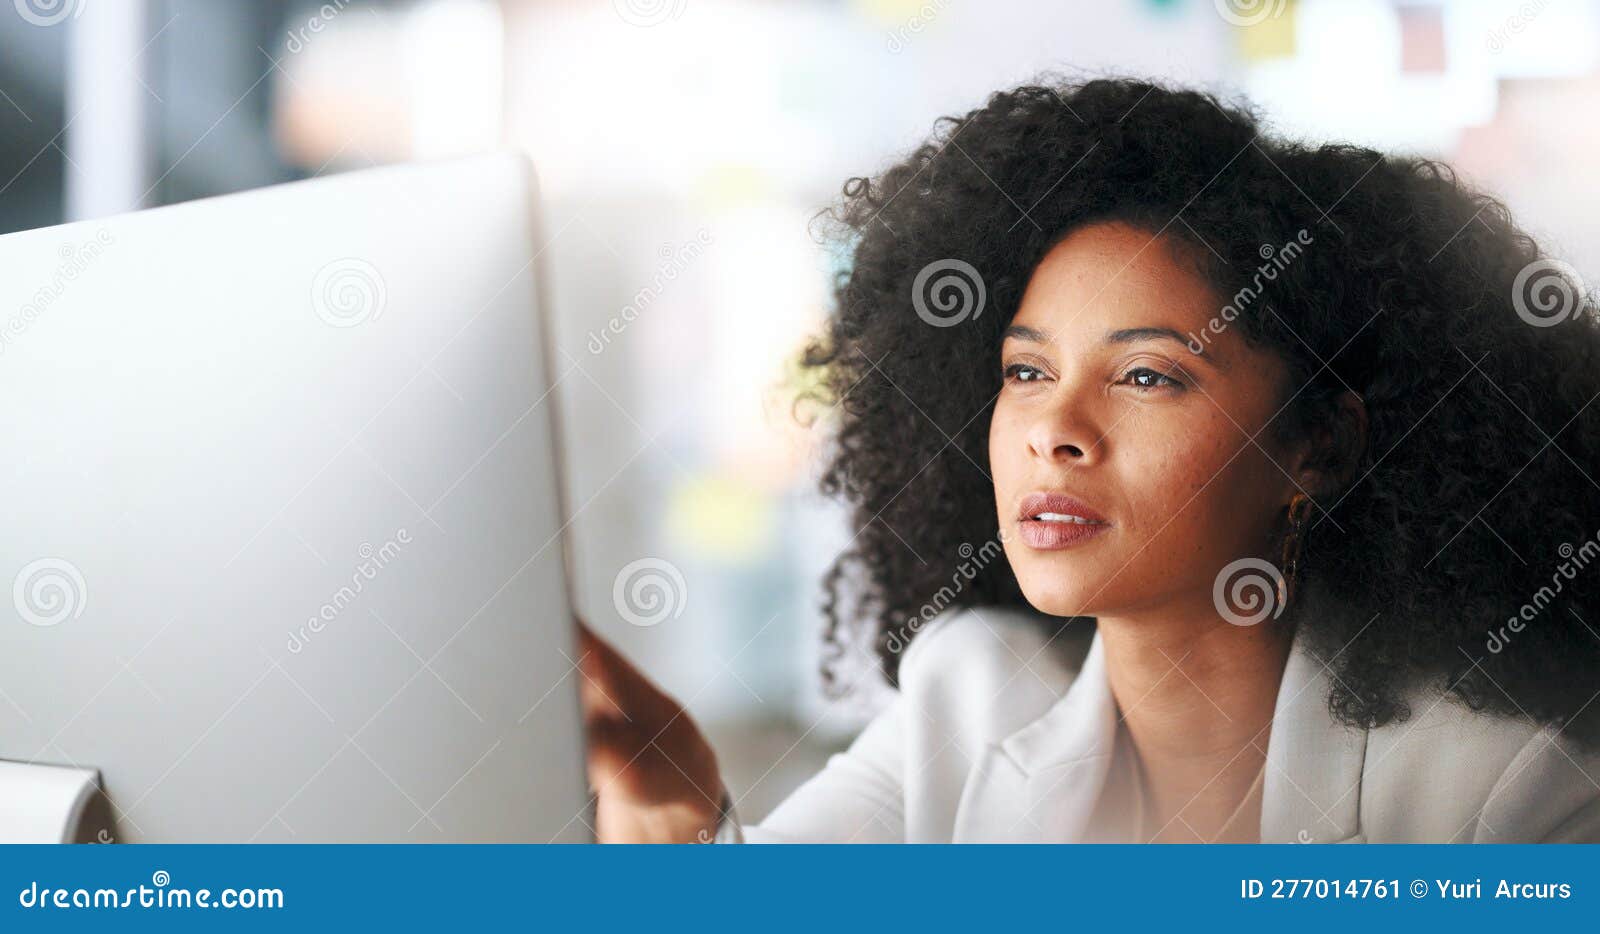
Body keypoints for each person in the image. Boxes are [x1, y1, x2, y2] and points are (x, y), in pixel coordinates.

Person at [578, 77, 1600, 843]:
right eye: (1025, 372)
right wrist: (685, 826)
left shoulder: (1501, 799)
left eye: (1147, 377)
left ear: (1315, 445)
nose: (1052, 429)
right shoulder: (966, 700)